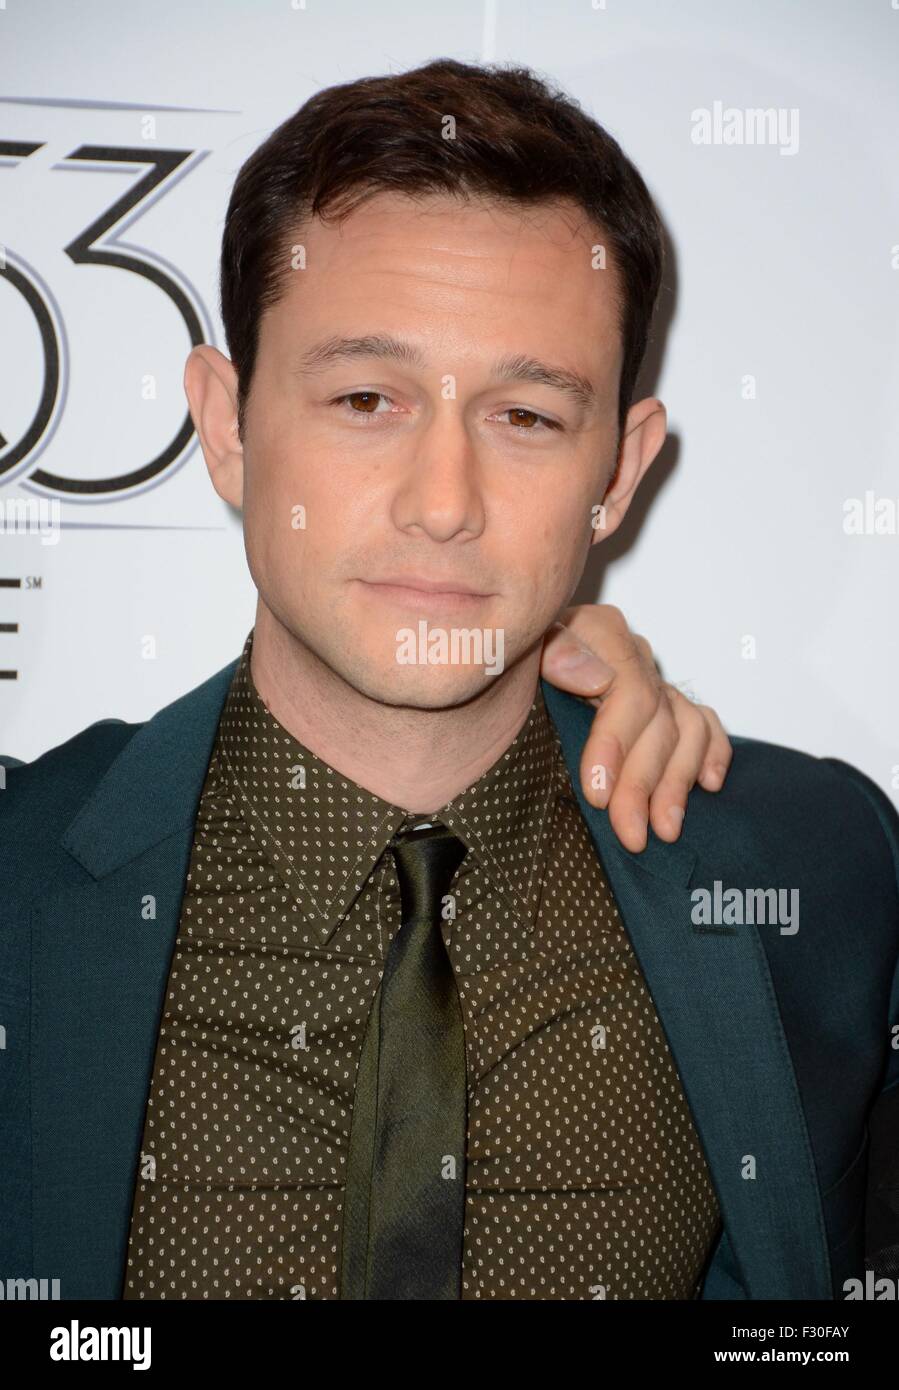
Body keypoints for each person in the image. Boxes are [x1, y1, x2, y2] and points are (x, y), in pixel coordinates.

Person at [1, 58, 896, 1302]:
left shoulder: (812, 870)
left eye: (525, 416)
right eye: (365, 398)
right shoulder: (19, 876)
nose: (442, 505)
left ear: (620, 471)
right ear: (226, 423)